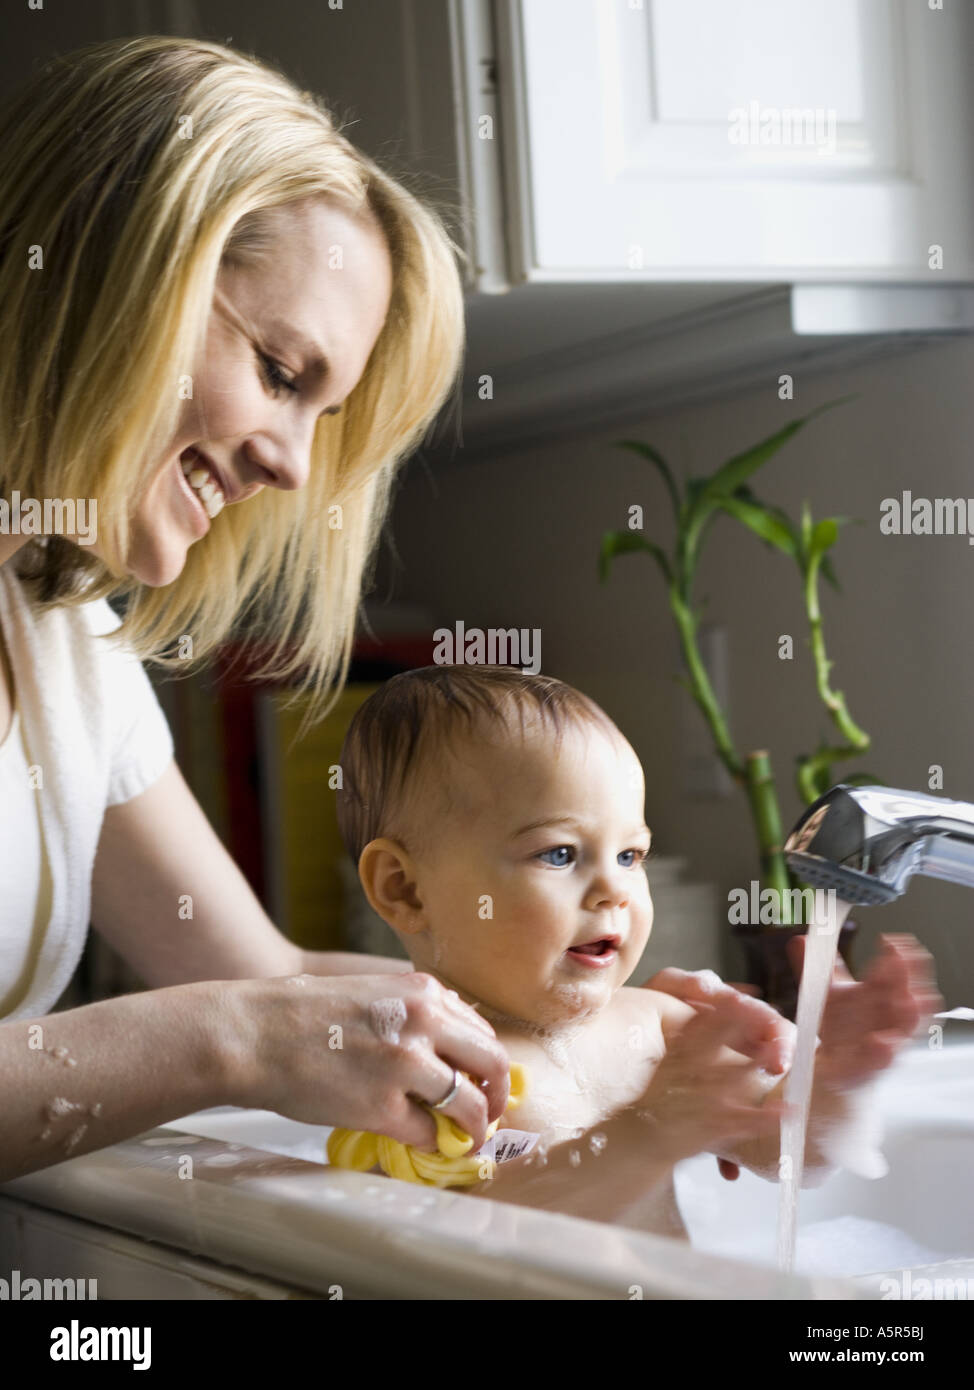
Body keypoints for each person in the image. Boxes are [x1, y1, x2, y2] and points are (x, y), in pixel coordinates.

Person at [0, 35, 516, 1183]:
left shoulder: (61, 648)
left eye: (319, 415)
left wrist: (647, 1048)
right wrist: (227, 1041)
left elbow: (272, 978)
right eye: (283, 373)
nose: (290, 465)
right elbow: (250, 1014)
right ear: (104, 266)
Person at [335, 665, 942, 1231]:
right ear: (405, 889)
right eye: (559, 853)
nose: (613, 890)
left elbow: (789, 1157)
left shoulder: (659, 1030)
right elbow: (473, 1242)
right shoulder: (428, 1071)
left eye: (630, 855)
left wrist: (835, 1077)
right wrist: (650, 1130)